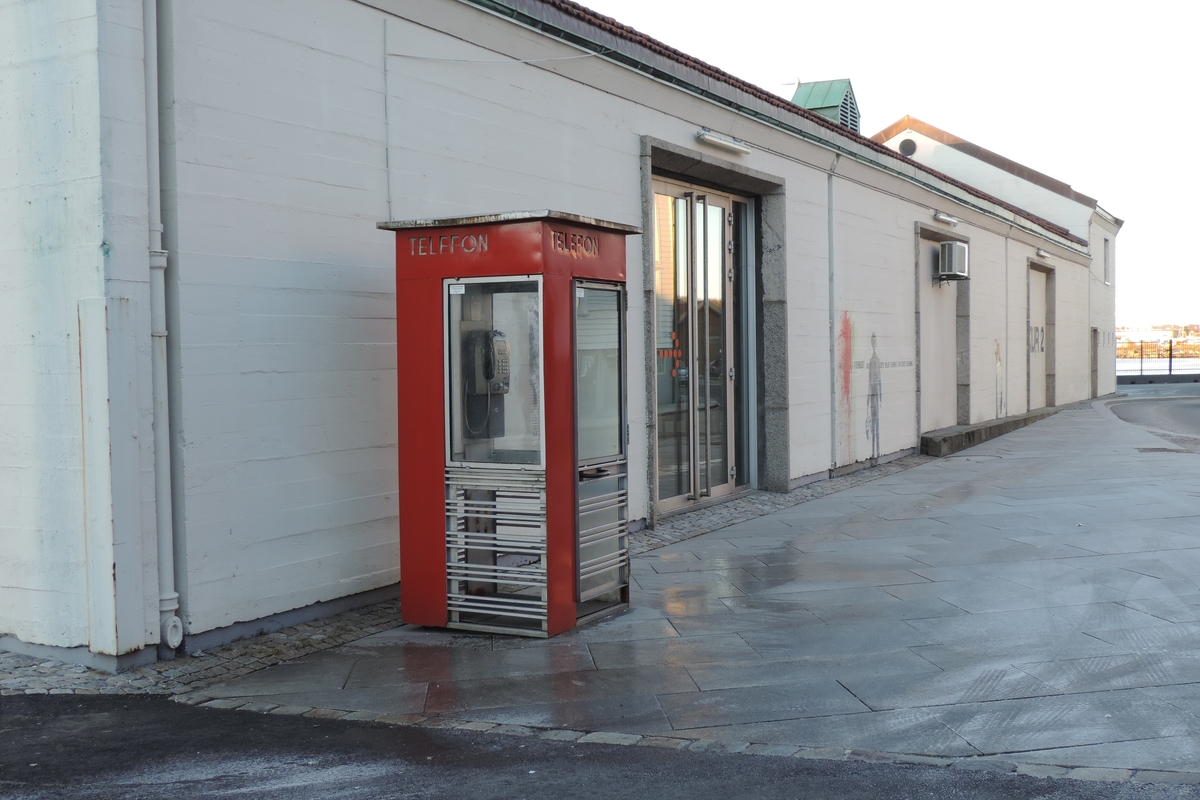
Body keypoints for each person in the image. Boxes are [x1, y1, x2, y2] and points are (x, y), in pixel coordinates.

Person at [866, 332, 882, 460]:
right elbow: (869, 381)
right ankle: (874, 450)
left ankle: (877, 450)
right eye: (872, 341)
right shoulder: (871, 359)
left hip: (875, 395)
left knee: (876, 424)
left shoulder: (876, 360)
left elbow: (879, 380)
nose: (873, 343)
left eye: (874, 341)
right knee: (873, 425)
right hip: (872, 395)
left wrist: (880, 397)